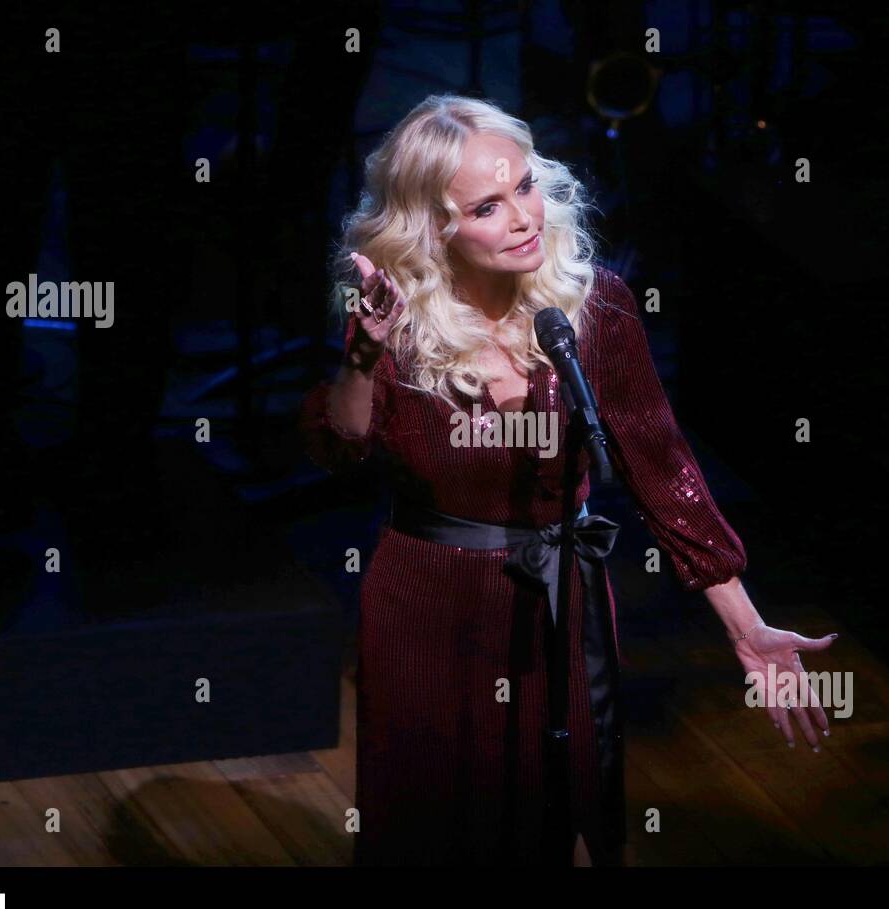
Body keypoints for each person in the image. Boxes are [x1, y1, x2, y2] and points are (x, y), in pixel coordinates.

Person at [299, 94, 838, 867]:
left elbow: (663, 467)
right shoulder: (396, 330)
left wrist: (746, 626)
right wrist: (360, 359)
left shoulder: (594, 311)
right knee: (431, 828)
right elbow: (339, 447)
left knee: (559, 811)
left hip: (561, 596)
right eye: (488, 206)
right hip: (427, 604)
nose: (523, 216)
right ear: (434, 229)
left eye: (525, 186)